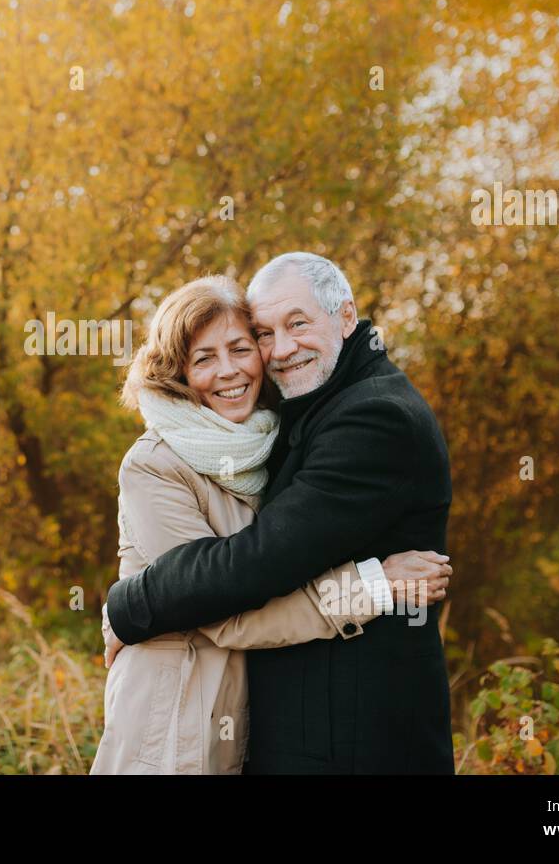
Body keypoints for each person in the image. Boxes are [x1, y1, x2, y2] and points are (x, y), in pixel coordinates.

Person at [91, 273, 452, 774]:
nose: (229, 371)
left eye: (241, 347)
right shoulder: (156, 465)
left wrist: (132, 603)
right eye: (203, 359)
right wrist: (373, 586)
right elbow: (226, 611)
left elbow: (266, 566)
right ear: (176, 372)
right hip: (177, 716)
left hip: (241, 713)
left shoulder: (266, 442)